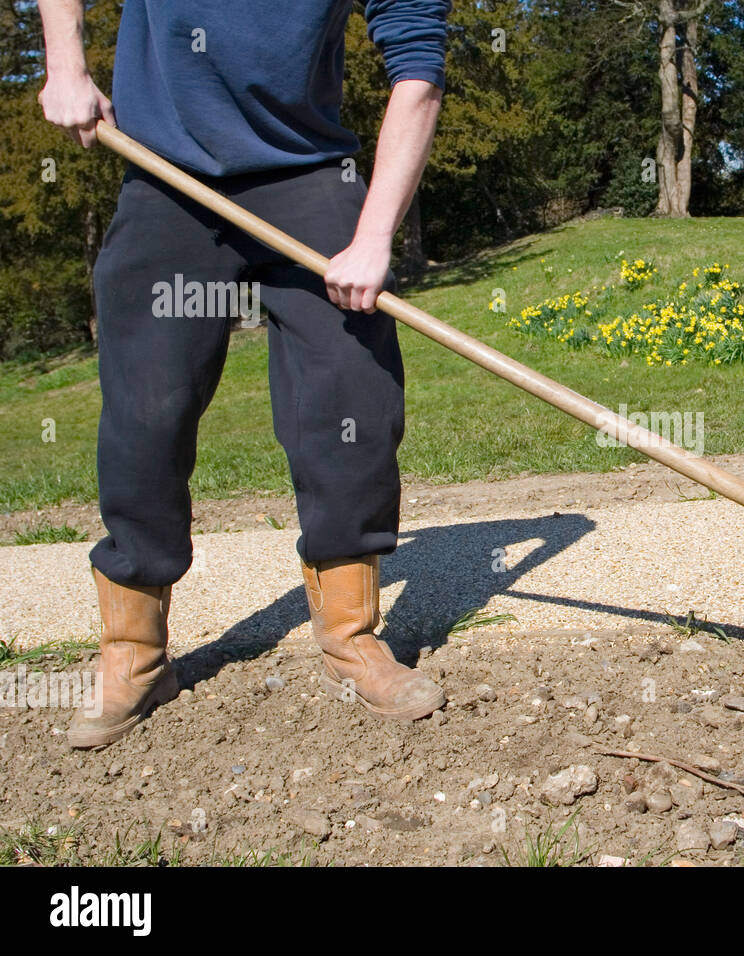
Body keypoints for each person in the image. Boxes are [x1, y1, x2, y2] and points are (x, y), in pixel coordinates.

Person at [35, 0, 452, 748]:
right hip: (164, 173)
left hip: (309, 172)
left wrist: (373, 236)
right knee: (148, 410)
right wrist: (65, 63)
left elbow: (417, 67)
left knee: (352, 394)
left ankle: (350, 637)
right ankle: (135, 652)